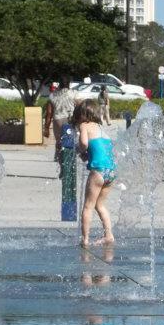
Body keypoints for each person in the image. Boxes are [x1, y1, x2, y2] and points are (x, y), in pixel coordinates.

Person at [73, 99, 115, 247]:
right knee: (100, 205)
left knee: (88, 206)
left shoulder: (85, 125)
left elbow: (84, 143)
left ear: (82, 115)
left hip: (98, 170)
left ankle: (84, 240)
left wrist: (80, 150)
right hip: (111, 171)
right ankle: (109, 235)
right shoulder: (101, 128)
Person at [43, 78, 78, 168]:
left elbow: (49, 113)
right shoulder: (73, 93)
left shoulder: (52, 95)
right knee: (71, 142)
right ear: (69, 84)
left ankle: (61, 166)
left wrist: (46, 128)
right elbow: (79, 107)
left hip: (58, 120)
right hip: (70, 120)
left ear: (59, 84)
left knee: (59, 142)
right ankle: (71, 164)